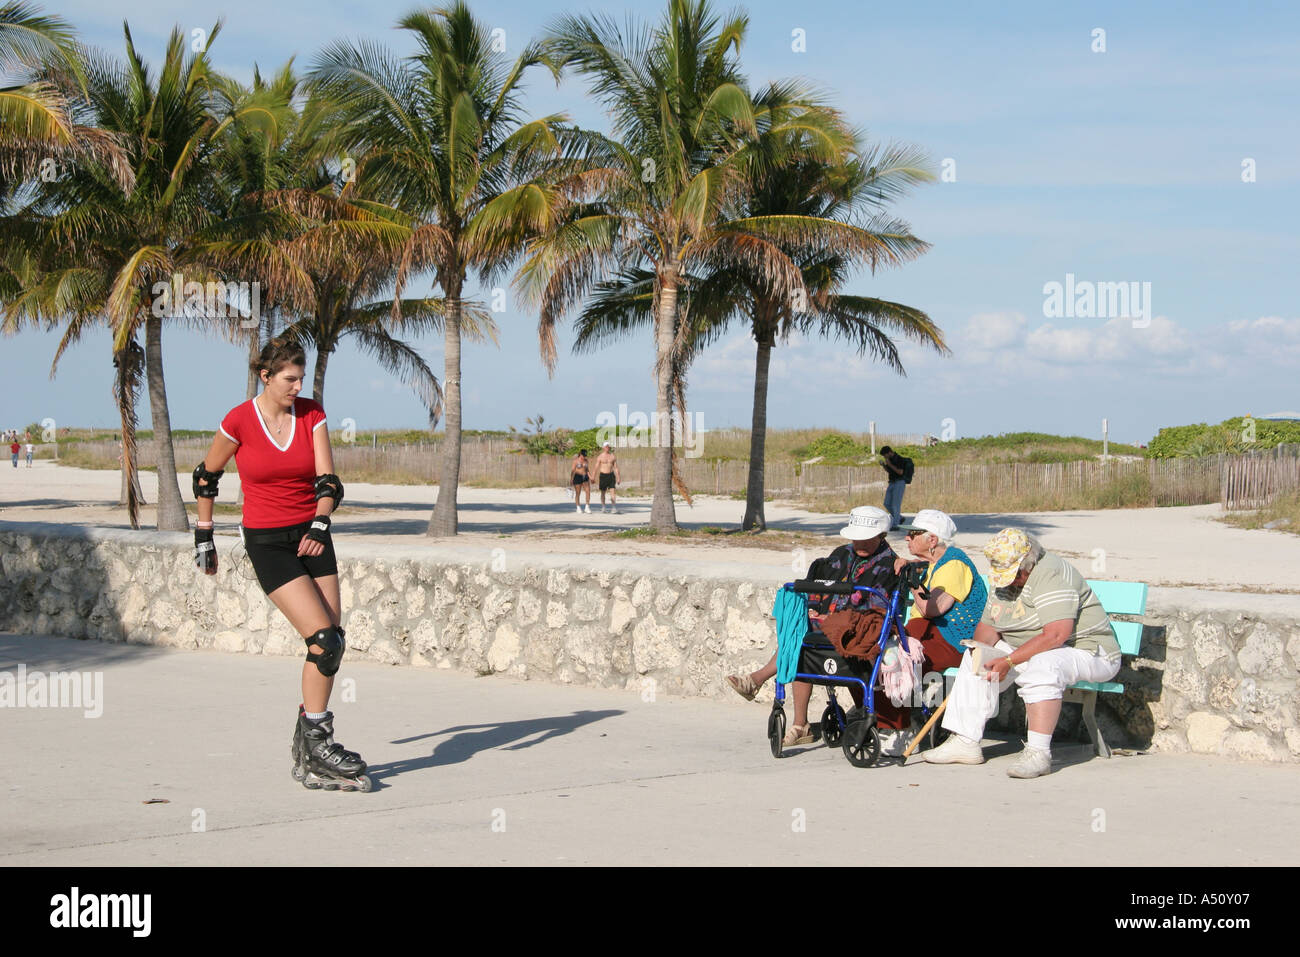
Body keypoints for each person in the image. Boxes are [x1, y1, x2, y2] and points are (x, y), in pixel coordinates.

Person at [193, 337, 369, 792]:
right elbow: (206, 476)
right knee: (322, 639)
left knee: (332, 643)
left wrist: (321, 523)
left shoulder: (311, 414)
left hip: (313, 535)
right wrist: (204, 535)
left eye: (301, 379)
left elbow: (328, 482)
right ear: (266, 376)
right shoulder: (239, 420)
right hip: (268, 542)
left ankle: (311, 744)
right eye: (289, 379)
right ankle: (318, 746)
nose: (297, 387)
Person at [923, 528, 1121, 778]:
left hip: (1087, 651)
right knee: (976, 655)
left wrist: (1008, 661)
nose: (1010, 581)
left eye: (1016, 574)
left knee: (1045, 665)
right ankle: (965, 741)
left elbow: (1056, 635)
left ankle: (1038, 753)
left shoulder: (1050, 573)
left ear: (1029, 562)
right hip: (1030, 650)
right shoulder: (1004, 579)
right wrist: (980, 653)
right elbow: (988, 628)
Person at [724, 505, 902, 748]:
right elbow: (817, 587)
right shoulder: (841, 554)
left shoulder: (890, 565)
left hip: (858, 630)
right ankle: (800, 725)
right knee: (798, 630)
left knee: (804, 637)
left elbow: (874, 609)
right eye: (856, 537)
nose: (858, 543)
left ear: (881, 535)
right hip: (826, 625)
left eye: (865, 538)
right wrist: (814, 608)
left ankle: (757, 680)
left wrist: (829, 618)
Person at [871, 509, 988, 754]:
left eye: (913, 534)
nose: (907, 538)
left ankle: (901, 729)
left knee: (897, 661)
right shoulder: (936, 562)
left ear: (932, 539)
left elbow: (932, 609)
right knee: (877, 651)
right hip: (928, 634)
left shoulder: (955, 565)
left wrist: (913, 582)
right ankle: (887, 721)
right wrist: (910, 566)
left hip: (953, 640)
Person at [879, 446, 907, 529]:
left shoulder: (899, 459)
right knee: (886, 503)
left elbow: (900, 472)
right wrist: (884, 465)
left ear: (889, 452)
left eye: (885, 455)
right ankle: (899, 518)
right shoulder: (889, 460)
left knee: (895, 505)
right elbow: (890, 471)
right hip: (891, 482)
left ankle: (896, 525)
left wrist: (889, 464)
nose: (884, 457)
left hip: (899, 482)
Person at [594, 442, 620, 513]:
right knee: (603, 492)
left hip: (611, 475)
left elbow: (616, 467)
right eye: (606, 446)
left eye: (608, 446)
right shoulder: (600, 457)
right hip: (603, 475)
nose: (607, 448)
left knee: (613, 491)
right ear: (603, 447)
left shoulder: (612, 456)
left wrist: (618, 477)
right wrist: (593, 477)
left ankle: (613, 507)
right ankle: (603, 507)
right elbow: (596, 467)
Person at [570, 448, 592, 513]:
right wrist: (571, 479)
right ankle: (578, 507)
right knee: (578, 493)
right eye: (583, 455)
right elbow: (573, 470)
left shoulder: (586, 461)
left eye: (585, 455)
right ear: (580, 454)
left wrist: (591, 477)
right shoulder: (576, 461)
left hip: (585, 477)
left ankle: (587, 507)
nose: (584, 457)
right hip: (577, 476)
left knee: (588, 491)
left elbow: (587, 470)